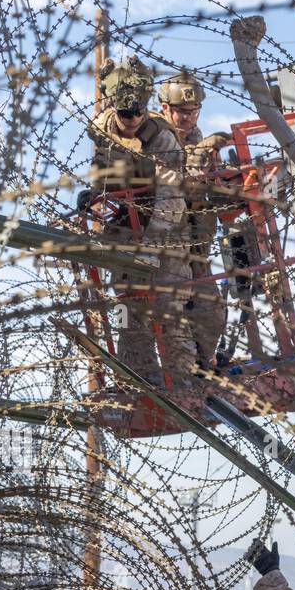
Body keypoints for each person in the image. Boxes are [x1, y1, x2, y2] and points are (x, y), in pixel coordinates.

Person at [90, 57, 197, 395]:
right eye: (126, 114)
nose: (134, 120)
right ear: (114, 108)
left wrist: (151, 249)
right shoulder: (102, 130)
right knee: (127, 305)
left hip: (167, 225)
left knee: (168, 305)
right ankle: (136, 381)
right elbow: (103, 174)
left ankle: (182, 383)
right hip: (127, 222)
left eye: (139, 112)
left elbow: (172, 199)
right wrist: (93, 196)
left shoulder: (162, 138)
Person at [158, 70, 230, 369]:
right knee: (171, 318)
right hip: (165, 249)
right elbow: (169, 179)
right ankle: (180, 376)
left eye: (194, 112)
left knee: (211, 311)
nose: (188, 118)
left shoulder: (194, 136)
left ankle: (201, 368)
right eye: (182, 112)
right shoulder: (155, 135)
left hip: (195, 247)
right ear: (165, 108)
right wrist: (199, 156)